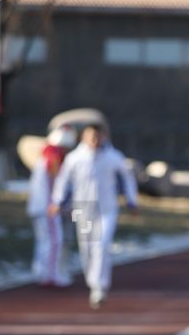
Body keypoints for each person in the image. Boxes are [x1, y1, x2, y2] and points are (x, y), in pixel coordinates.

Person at [50, 123, 138, 308]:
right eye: (91, 137)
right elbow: (63, 180)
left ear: (104, 137)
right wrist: (57, 201)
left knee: (102, 245)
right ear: (83, 137)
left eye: (98, 137)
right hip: (82, 209)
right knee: (87, 248)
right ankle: (92, 283)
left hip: (107, 209)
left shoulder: (113, 157)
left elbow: (127, 178)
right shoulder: (75, 158)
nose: (95, 141)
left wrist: (131, 200)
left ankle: (99, 286)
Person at [26, 127, 75, 286]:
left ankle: (40, 271)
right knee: (55, 241)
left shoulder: (44, 157)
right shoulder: (53, 158)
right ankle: (51, 275)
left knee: (43, 240)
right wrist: (58, 204)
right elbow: (54, 184)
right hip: (47, 208)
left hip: (38, 206)